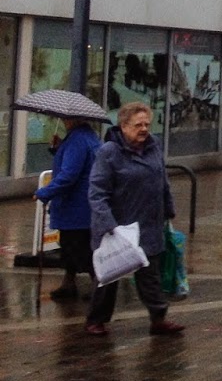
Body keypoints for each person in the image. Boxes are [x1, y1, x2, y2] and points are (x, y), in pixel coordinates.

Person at [86, 103, 183, 337]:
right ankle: (96, 320)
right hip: (117, 226)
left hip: (148, 223)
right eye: (138, 125)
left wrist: (168, 207)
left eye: (147, 124)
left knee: (150, 274)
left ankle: (158, 318)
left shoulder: (153, 146)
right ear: (123, 126)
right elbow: (97, 191)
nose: (144, 129)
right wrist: (107, 222)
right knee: (110, 275)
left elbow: (162, 181)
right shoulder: (109, 152)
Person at [35, 117, 100, 301]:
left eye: (65, 118)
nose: (63, 120)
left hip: (76, 207)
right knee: (70, 246)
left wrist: (45, 192)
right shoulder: (86, 137)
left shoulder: (78, 140)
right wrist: (60, 147)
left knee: (79, 248)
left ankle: (98, 286)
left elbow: (69, 174)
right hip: (82, 207)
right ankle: (69, 283)